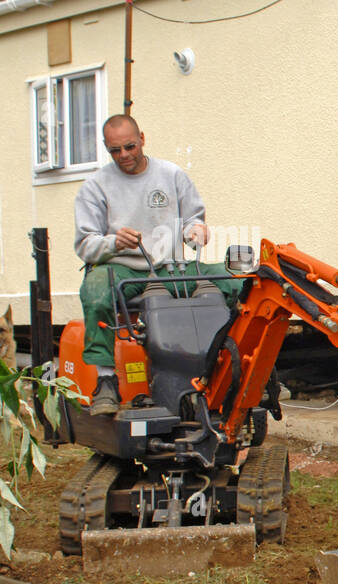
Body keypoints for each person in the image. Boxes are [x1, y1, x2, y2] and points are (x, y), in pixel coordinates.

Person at [74, 114, 237, 415]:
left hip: (169, 268)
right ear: (107, 149)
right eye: (115, 150)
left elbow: (193, 218)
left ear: (143, 139)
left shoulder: (171, 175)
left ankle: (236, 368)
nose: (123, 155)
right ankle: (106, 382)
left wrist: (195, 230)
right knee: (95, 290)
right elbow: (85, 245)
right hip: (122, 269)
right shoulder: (95, 187)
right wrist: (113, 243)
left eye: (130, 146)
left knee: (238, 281)